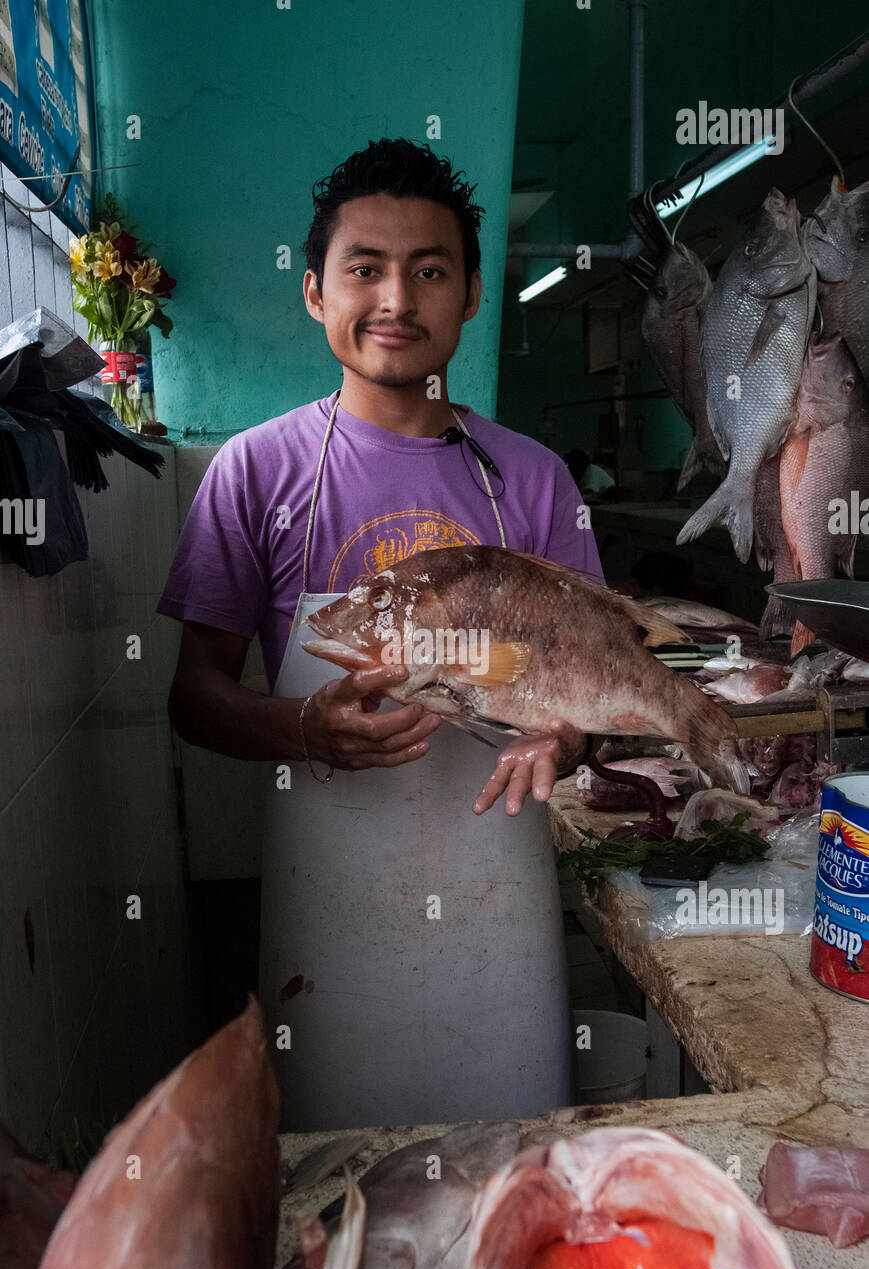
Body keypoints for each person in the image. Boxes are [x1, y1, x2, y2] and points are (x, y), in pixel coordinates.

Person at [158, 138, 605, 1129]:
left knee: (511, 1174)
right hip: (331, 911)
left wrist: (564, 738)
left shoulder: (531, 481)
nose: (396, 298)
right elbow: (191, 696)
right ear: (316, 291)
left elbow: (586, 693)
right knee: (338, 1191)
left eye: (429, 270)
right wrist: (299, 731)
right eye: (365, 268)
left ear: (471, 296)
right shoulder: (254, 472)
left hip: (497, 899)